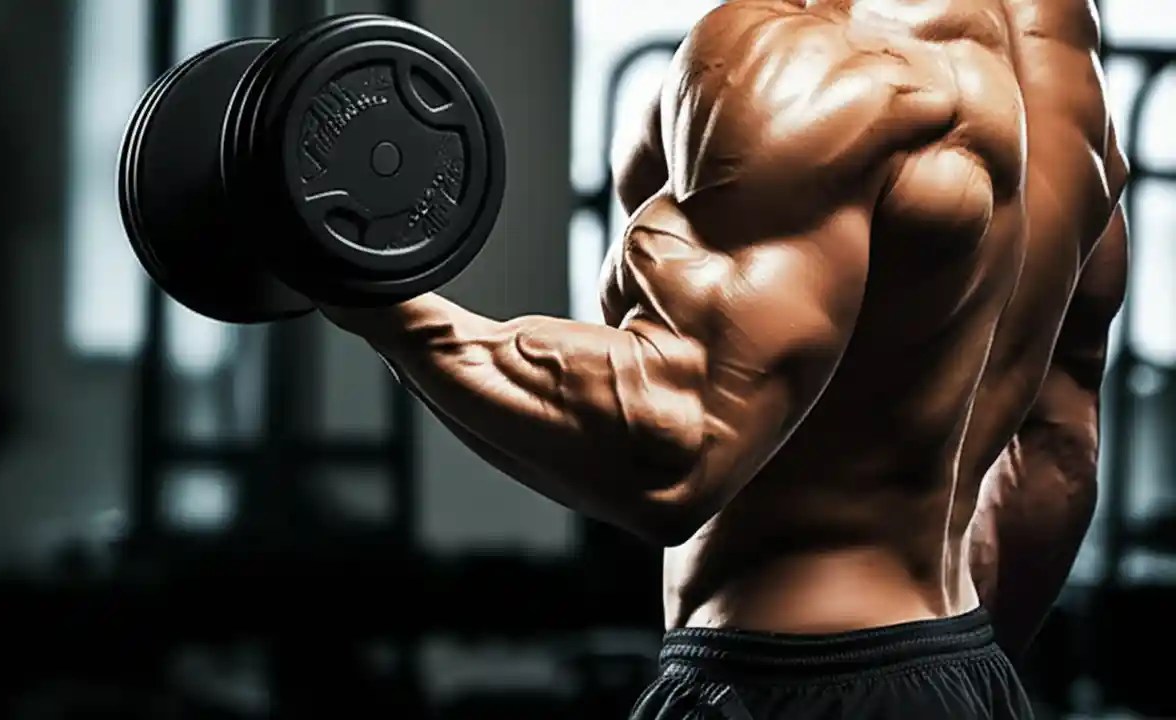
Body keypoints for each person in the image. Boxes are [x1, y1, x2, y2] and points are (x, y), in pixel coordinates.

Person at [320, 0, 1127, 716]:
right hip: (965, 668)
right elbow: (1057, 454)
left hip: (778, 675)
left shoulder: (802, 57)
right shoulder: (1063, 79)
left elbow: (673, 447)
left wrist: (379, 306)